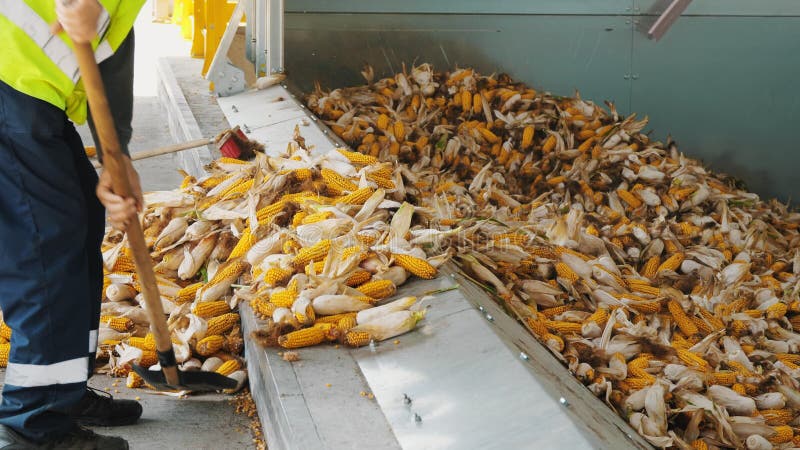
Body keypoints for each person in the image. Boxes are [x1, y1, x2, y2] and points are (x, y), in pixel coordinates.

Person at [0, 0, 146, 448]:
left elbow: (114, 46)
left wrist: (115, 156)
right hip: (10, 89)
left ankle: (64, 390)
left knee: (79, 225)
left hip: (35, 97)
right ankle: (32, 420)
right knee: (46, 253)